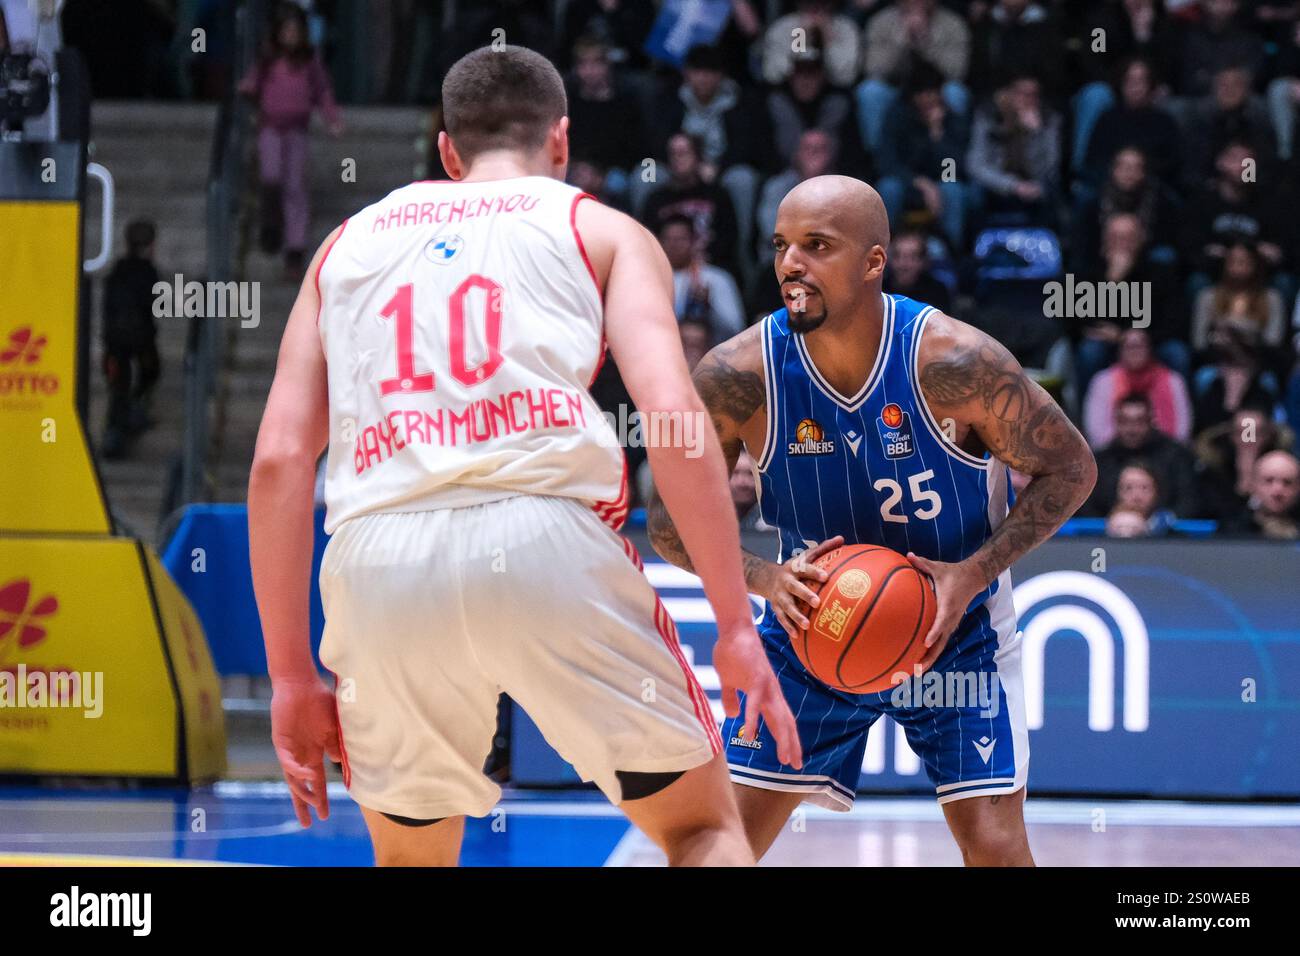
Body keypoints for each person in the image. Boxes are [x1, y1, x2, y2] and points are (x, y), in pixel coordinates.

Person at [248, 45, 802, 868]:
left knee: (411, 859)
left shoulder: (343, 247)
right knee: (702, 831)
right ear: (561, 142)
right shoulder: (599, 228)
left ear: (446, 150)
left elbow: (280, 463)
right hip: (547, 541)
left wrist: (292, 678)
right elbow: (674, 420)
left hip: (378, 562)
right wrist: (731, 625)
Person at [647, 175, 1097, 865]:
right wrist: (766, 577)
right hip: (812, 631)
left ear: (873, 262)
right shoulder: (740, 374)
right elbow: (667, 519)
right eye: (781, 246)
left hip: (958, 633)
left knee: (996, 847)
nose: (791, 264)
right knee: (719, 841)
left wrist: (973, 572)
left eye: (817, 245)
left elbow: (1072, 468)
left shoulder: (956, 361)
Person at [239, 3, 343, 278]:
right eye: (286, 31)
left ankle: (295, 248)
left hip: (297, 130)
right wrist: (247, 90)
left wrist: (332, 119)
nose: (291, 36)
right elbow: (252, 83)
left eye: (295, 31)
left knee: (295, 187)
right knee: (271, 176)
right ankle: (271, 222)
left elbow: (322, 92)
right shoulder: (268, 60)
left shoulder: (310, 61)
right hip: (270, 128)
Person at [101, 219, 162, 460]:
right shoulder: (148, 273)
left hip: (116, 341)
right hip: (138, 339)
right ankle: (129, 416)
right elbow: (154, 305)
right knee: (147, 374)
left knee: (119, 386)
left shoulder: (118, 271)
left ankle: (122, 424)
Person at [1084, 393, 1201, 518]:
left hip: (1169, 536)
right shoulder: (1099, 462)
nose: (1132, 429)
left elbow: (1189, 501)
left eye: (1139, 421)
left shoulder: (1177, 456)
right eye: (1124, 421)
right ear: (1115, 422)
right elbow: (1086, 507)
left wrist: (1162, 525)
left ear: (1152, 421)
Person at [1083, 328, 1193, 448]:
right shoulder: (1102, 381)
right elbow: (1097, 434)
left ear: (1150, 349)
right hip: (1116, 455)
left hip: (1164, 455)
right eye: (1129, 346)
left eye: (1140, 345)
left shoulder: (1174, 381)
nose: (1135, 351)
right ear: (1120, 351)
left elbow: (1182, 432)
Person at [658, 215, 746, 340]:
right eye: (669, 239)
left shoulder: (717, 279)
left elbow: (737, 330)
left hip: (708, 355)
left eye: (680, 239)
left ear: (694, 241)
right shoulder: (650, 279)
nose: (674, 245)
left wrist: (709, 306)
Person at [1221, 449, 1300, 538]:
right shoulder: (1230, 528)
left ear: (1298, 487)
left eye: (1287, 482)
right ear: (1253, 485)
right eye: (1268, 480)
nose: (1277, 491)